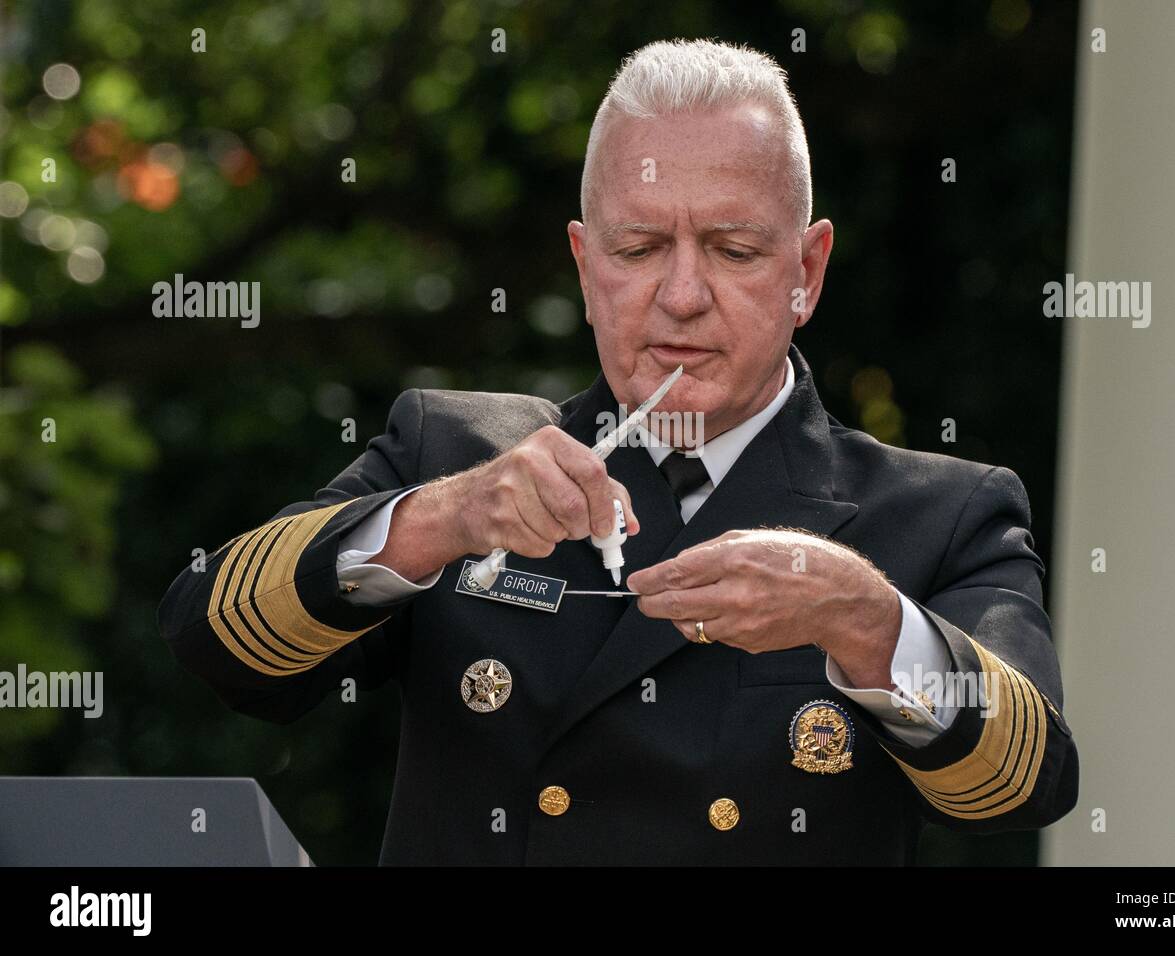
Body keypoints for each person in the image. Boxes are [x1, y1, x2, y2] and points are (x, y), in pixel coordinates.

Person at [157, 39, 1077, 865]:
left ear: (807, 271)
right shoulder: (457, 449)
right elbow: (215, 641)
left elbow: (1023, 784)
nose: (681, 296)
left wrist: (867, 620)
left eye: (732, 249)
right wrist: (443, 518)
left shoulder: (938, 513)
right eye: (639, 248)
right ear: (585, 265)